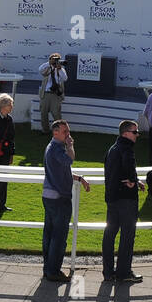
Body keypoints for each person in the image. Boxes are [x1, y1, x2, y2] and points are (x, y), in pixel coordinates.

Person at [41, 120, 91, 283]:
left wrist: (78, 178)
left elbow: (62, 170)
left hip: (49, 196)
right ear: (55, 132)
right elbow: (69, 161)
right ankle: (53, 271)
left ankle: (48, 269)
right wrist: (70, 146)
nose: (68, 135)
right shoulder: (57, 148)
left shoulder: (52, 147)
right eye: (65, 132)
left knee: (49, 234)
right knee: (59, 236)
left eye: (68, 132)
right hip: (58, 198)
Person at [103, 119, 142, 283]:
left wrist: (133, 179)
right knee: (127, 236)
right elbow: (127, 167)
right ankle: (124, 272)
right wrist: (133, 179)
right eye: (135, 132)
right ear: (126, 133)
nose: (137, 135)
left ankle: (108, 272)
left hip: (112, 198)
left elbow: (114, 171)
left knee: (110, 234)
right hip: (126, 199)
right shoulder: (127, 148)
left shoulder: (112, 148)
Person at [37, 53, 67, 133]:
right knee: (43, 113)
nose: (55, 61)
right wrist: (49, 63)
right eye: (54, 59)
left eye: (57, 60)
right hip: (46, 93)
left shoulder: (61, 69)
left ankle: (59, 131)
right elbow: (40, 69)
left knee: (56, 114)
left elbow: (65, 78)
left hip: (55, 94)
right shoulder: (47, 67)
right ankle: (45, 130)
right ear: (50, 59)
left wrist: (59, 69)